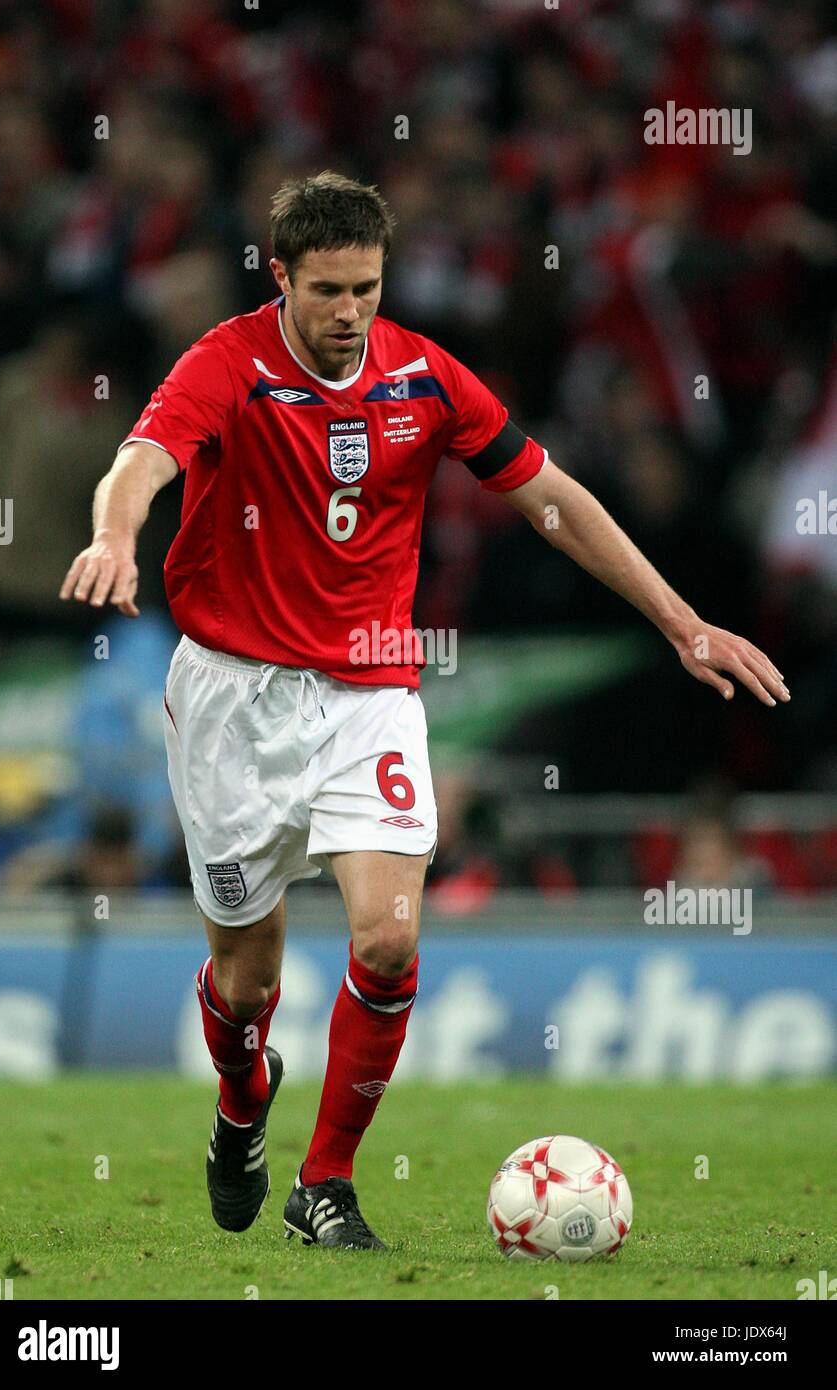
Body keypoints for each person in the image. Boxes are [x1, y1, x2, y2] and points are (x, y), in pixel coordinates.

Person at [59, 171, 789, 1251]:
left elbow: (549, 497)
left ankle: (324, 1183)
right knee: (244, 976)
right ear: (281, 279)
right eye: (326, 291)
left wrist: (681, 624)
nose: (349, 312)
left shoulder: (423, 376)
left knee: (389, 941)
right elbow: (141, 462)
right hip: (229, 699)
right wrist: (116, 538)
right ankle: (242, 1097)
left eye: (365, 287)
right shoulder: (227, 363)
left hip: (369, 692)